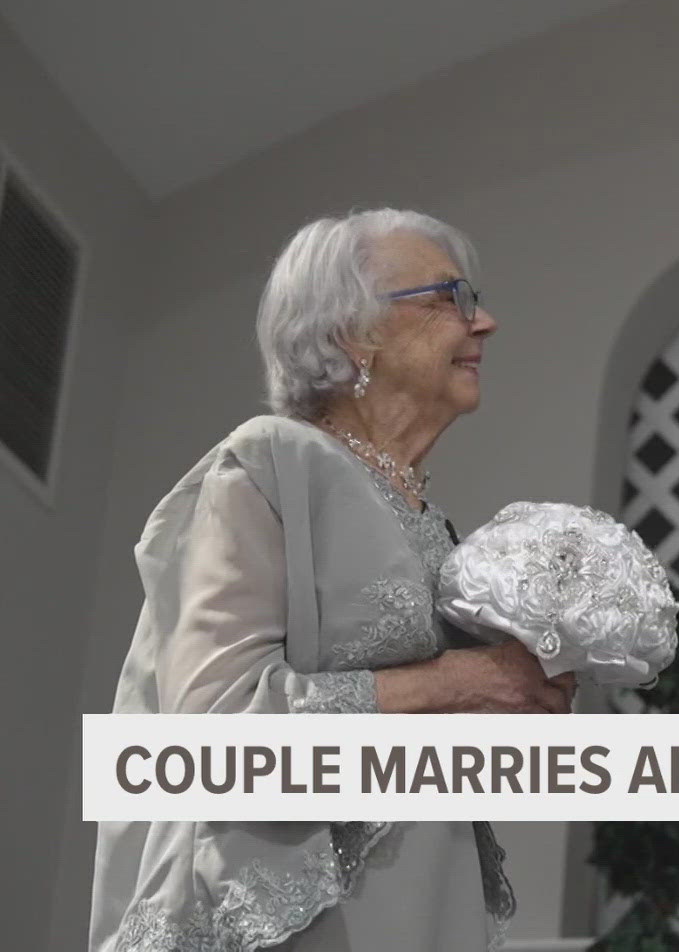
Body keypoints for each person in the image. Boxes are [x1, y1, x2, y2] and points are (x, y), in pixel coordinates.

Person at [91, 210, 576, 951]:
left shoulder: (434, 525)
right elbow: (209, 740)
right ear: (354, 332)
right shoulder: (271, 459)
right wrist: (460, 683)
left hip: (422, 908)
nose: (485, 323)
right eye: (450, 297)